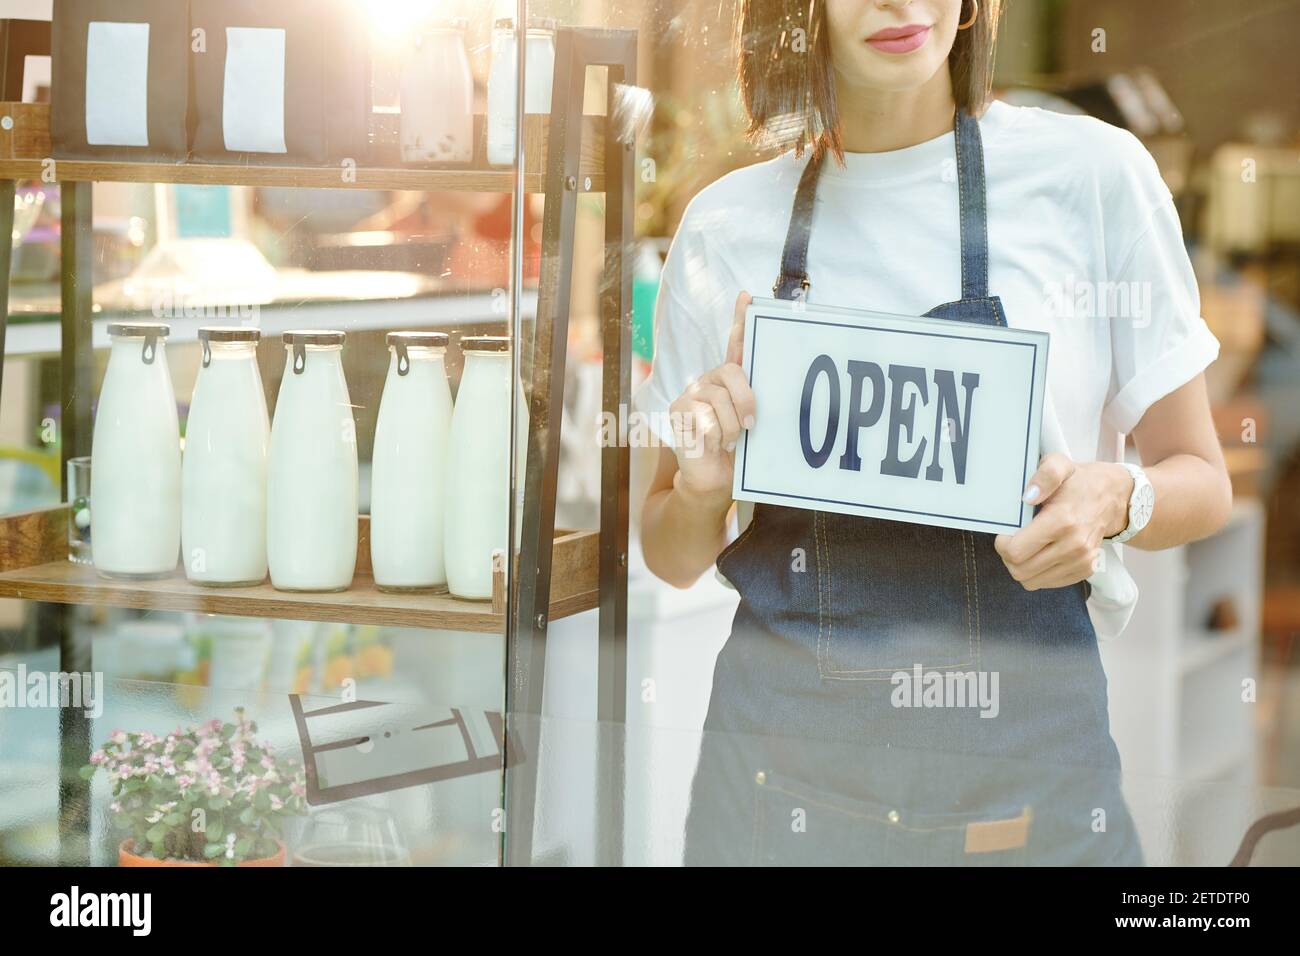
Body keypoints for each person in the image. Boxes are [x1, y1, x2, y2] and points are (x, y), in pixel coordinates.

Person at [634, 0, 1233, 865]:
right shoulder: (725, 228)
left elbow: (1200, 478)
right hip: (778, 795)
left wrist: (1118, 497)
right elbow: (670, 550)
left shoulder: (1093, 175)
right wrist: (701, 484)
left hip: (1030, 797)